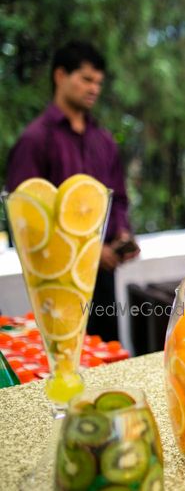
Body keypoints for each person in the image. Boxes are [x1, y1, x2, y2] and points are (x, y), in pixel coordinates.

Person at [5, 41, 138, 342]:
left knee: (105, 357)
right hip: (56, 281)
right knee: (63, 360)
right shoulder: (34, 141)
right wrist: (89, 251)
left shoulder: (103, 140)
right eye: (87, 79)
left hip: (104, 277)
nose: (94, 89)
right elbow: (24, 217)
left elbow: (118, 200)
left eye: (99, 83)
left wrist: (122, 235)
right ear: (60, 75)